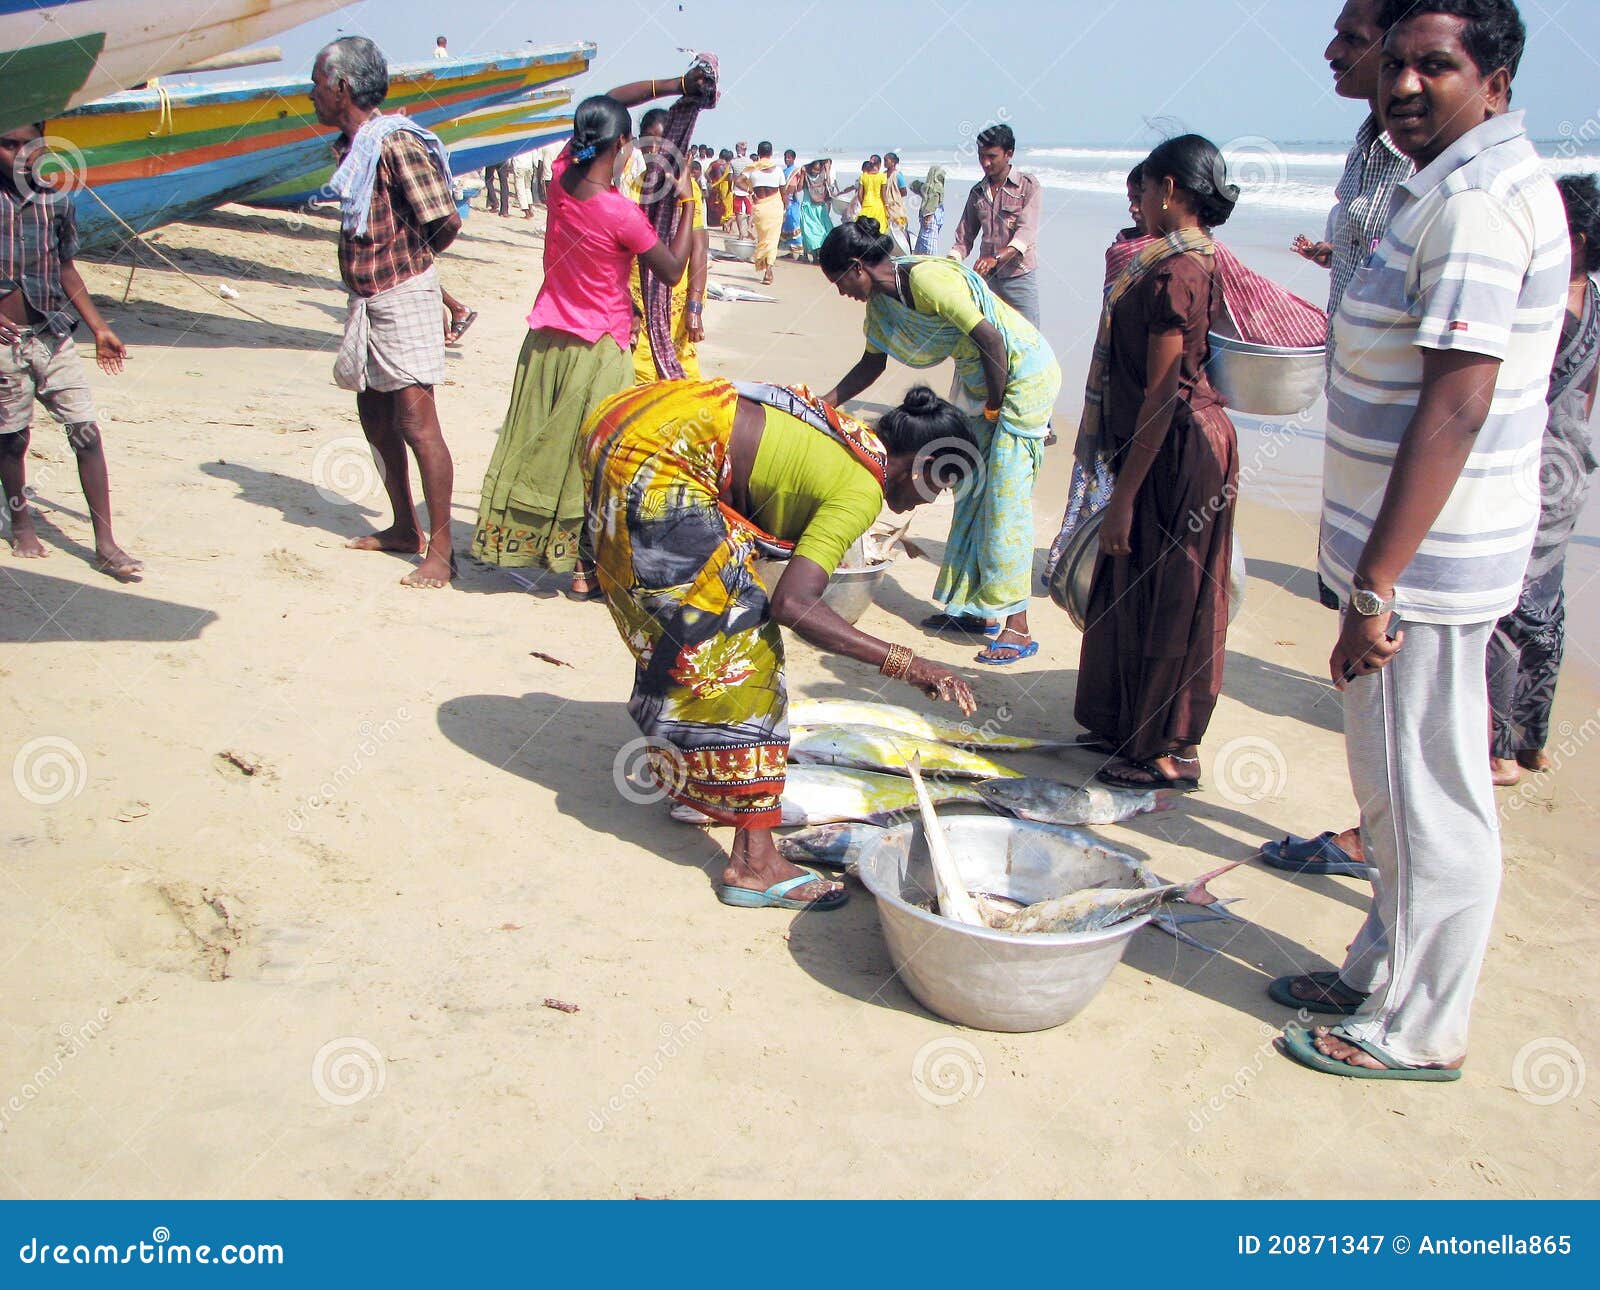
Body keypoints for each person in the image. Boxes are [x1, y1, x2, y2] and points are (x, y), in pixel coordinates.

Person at [1275, 0, 1569, 1082]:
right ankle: (1375, 969)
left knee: (1430, 797)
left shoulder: (1482, 202)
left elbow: (1455, 407)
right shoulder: (1430, 176)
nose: (1402, 84)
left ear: (1492, 77)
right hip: (1396, 559)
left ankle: (1418, 1028)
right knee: (1387, 785)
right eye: (1393, 63)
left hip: (1428, 567)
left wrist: (1377, 585)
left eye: (1431, 66)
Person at [582, 379, 979, 910]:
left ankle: (694, 781)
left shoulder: (852, 437)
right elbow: (795, 605)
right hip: (659, 458)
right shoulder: (861, 490)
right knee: (746, 660)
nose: (926, 503)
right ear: (920, 466)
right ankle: (755, 863)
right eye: (939, 487)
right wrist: (909, 663)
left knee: (690, 629)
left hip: (622, 419)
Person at [1264, 0, 1419, 879]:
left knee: (1396, 665)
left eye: (1353, 40)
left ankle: (1387, 842)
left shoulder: (1424, 154)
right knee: (1369, 690)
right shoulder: (1369, 144)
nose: (1332, 52)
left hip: (1405, 434)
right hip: (1358, 420)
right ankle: (1378, 827)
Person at [471, 71, 706, 598]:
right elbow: (670, 270)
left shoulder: (559, 181)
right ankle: (584, 571)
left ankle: (522, 543)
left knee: (539, 447)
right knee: (596, 463)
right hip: (599, 349)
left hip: (545, 343)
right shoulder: (621, 214)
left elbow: (599, 104)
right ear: (623, 144)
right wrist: (687, 203)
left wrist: (673, 83)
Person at [1072, 136, 1240, 791]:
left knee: (1176, 594)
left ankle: (1170, 747)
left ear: (1168, 190)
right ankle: (1124, 722)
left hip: (1179, 447)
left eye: (1142, 191)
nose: (1137, 204)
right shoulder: (1173, 260)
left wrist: (1123, 498)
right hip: (1167, 442)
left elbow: (1163, 389)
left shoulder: (1177, 271)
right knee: (1132, 583)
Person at [819, 218, 1061, 664]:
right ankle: (974, 607)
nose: (840, 293)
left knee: (1004, 496)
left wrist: (992, 408)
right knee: (969, 488)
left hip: (1020, 376)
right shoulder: (881, 305)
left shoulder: (927, 279)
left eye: (837, 282)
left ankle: (1018, 626)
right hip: (982, 381)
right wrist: (824, 403)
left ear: (856, 267)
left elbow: (990, 337)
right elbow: (871, 365)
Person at [313, 36, 461, 589]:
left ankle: (442, 552)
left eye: (317, 83)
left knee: (417, 423)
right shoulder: (353, 146)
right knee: (374, 416)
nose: (312, 94)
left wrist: (406, 263)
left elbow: (445, 221)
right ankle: (404, 526)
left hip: (402, 294)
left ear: (342, 87)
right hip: (369, 298)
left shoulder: (394, 141)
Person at [1487, 173, 1599, 784]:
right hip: (1572, 466)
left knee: (1505, 606)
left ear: (1574, 239)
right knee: (1546, 603)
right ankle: (1535, 741)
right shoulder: (1596, 301)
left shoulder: (1545, 302)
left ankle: (1498, 749)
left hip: (1529, 463)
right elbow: (1585, 396)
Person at [0, 122, 140, 580]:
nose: (20, 154)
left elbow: (65, 268)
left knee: (85, 430)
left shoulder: (55, 201)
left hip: (52, 332)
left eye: (29, 144)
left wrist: (100, 328)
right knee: (13, 437)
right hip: (6, 342)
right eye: (8, 144)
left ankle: (105, 541)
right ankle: (21, 522)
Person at [628, 116, 709, 382]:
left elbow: (699, 250)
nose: (653, 153)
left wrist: (694, 308)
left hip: (677, 300)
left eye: (660, 145)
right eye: (647, 145)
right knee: (639, 374)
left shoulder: (689, 190)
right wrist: (628, 307)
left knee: (681, 376)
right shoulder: (633, 187)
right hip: (640, 298)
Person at [950, 124, 1043, 329]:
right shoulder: (977, 192)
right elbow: (965, 238)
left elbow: (1026, 233)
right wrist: (951, 260)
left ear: (1008, 154)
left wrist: (995, 258)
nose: (985, 162)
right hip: (988, 281)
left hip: (1019, 276)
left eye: (992, 156)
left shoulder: (1028, 186)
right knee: (990, 340)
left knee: (1029, 339)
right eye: (981, 156)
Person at [747, 141, 785, 285]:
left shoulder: (752, 170)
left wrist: (751, 192)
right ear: (771, 153)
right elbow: (784, 192)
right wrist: (785, 208)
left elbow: (738, 181)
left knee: (763, 239)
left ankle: (766, 268)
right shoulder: (778, 170)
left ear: (758, 153)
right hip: (775, 207)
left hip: (760, 208)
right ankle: (768, 271)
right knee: (772, 240)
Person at [796, 159, 836, 264]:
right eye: (814, 169)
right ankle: (807, 255)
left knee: (823, 232)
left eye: (818, 170)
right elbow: (799, 188)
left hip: (819, 207)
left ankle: (817, 256)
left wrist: (827, 170)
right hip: (808, 206)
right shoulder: (806, 175)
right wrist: (803, 175)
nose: (816, 172)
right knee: (808, 232)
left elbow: (829, 184)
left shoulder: (822, 175)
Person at [911, 163, 947, 255]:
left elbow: (913, 185)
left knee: (926, 237)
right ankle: (928, 256)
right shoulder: (937, 187)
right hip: (935, 215)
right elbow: (933, 201)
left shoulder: (929, 187)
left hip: (930, 215)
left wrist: (928, 216)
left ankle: (925, 256)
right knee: (930, 238)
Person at [883, 152, 911, 253]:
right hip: (885, 207)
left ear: (893, 162)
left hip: (895, 208)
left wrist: (893, 197)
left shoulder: (897, 175)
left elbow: (904, 191)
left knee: (900, 230)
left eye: (886, 160)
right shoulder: (883, 175)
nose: (884, 162)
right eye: (884, 160)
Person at [849, 157, 887, 231]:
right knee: (879, 230)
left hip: (866, 205)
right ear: (879, 164)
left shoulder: (863, 176)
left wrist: (862, 203)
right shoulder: (882, 176)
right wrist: (887, 206)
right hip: (878, 207)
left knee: (863, 230)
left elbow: (860, 194)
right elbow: (883, 195)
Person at [780, 148, 803, 258]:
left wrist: (787, 197)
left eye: (789, 157)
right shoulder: (785, 171)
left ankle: (797, 252)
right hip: (784, 200)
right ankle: (790, 251)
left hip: (790, 201)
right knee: (787, 226)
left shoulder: (794, 171)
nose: (787, 159)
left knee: (793, 225)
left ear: (794, 158)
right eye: (785, 157)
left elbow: (793, 187)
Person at [706, 149, 732, 229]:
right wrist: (730, 188)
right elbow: (730, 178)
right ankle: (723, 224)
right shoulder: (727, 165)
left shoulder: (714, 163)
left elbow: (706, 173)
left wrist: (710, 181)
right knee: (725, 206)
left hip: (713, 186)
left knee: (711, 204)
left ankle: (710, 222)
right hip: (724, 187)